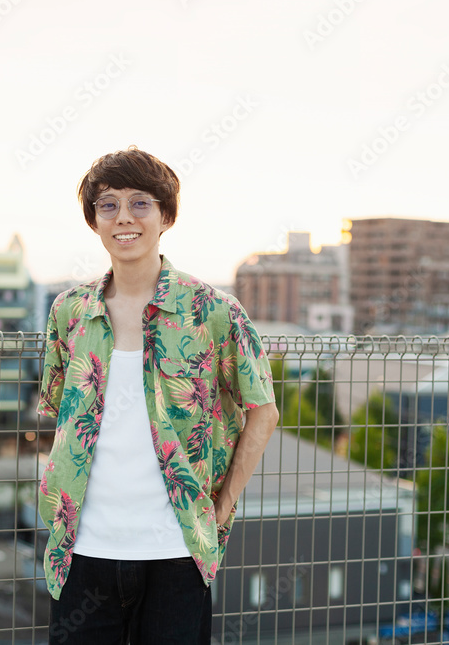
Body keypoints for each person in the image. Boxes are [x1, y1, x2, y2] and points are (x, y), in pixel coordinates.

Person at [37, 146, 279, 644]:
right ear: (95, 221)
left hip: (175, 552)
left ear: (165, 215)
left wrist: (223, 504)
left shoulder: (214, 311)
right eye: (108, 205)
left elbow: (263, 411)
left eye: (140, 203)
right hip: (82, 552)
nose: (124, 218)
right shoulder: (70, 311)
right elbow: (61, 412)